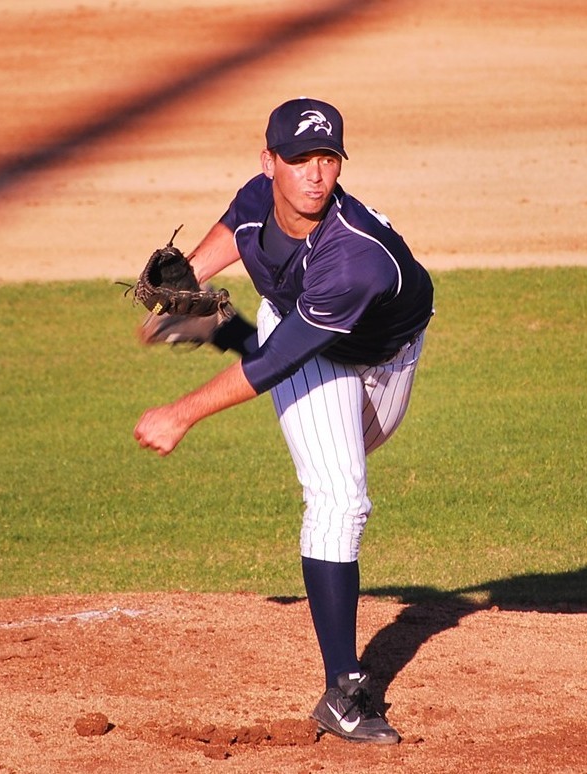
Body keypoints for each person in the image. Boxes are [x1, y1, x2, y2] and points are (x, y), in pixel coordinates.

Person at [132, 97, 434, 745]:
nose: (316, 175)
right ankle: (344, 691)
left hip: (386, 358)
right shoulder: (256, 195)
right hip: (304, 336)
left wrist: (180, 413)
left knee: (347, 453)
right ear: (269, 161)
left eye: (327, 159)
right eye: (299, 160)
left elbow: (271, 366)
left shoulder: (352, 257)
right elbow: (236, 228)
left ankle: (221, 328)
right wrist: (181, 285)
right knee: (339, 496)